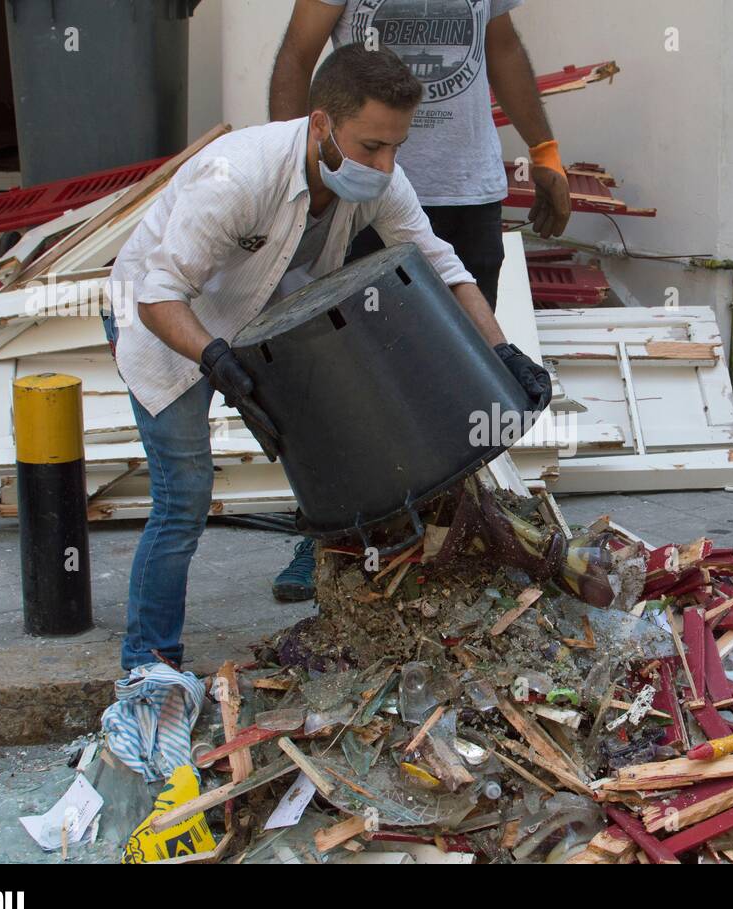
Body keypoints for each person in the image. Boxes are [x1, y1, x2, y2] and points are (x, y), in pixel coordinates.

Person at [103, 44, 550, 671]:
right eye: (371, 147)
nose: (385, 164)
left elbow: (441, 265)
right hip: (164, 323)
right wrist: (216, 361)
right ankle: (149, 662)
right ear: (321, 124)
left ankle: (353, 611)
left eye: (396, 147)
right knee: (183, 499)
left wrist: (503, 352)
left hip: (258, 317)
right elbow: (157, 295)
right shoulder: (238, 178)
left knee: (338, 442)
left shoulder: (381, 179)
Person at [266, 0, 569, 600]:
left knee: (459, 373)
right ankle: (335, 540)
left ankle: (453, 533)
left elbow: (502, 45)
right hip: (361, 192)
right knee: (344, 373)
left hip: (465, 190)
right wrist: (296, 166)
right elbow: (298, 55)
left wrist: (544, 150)